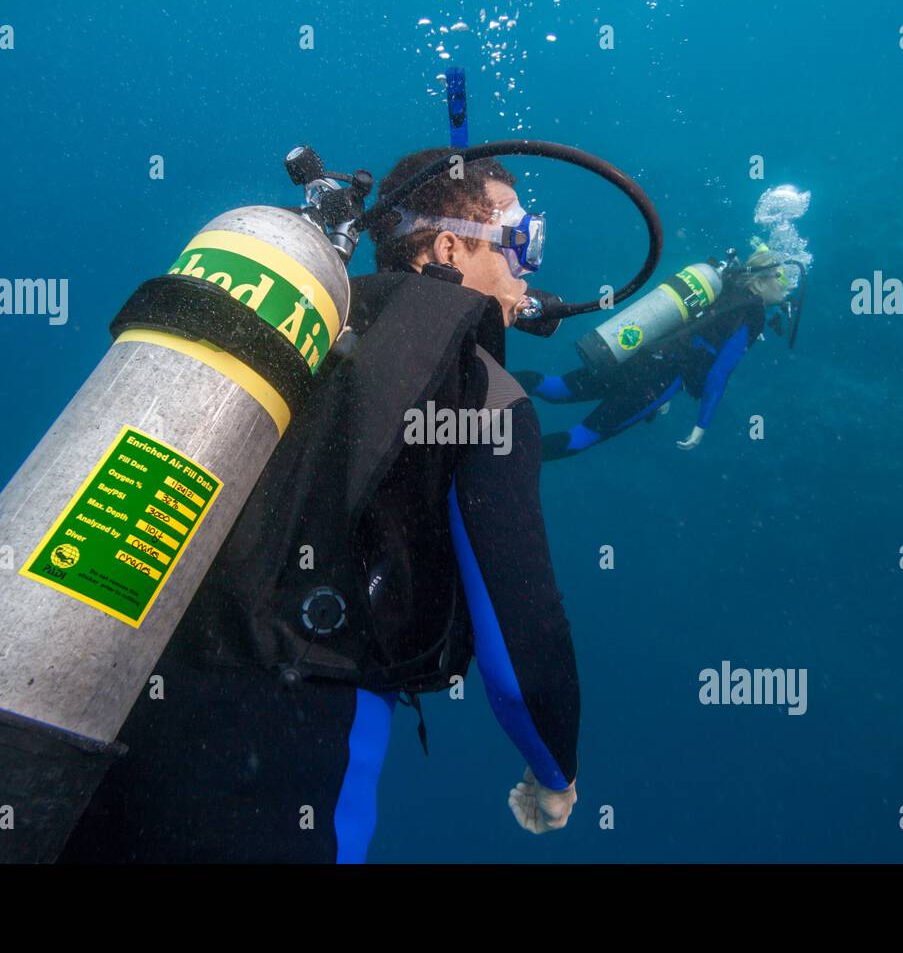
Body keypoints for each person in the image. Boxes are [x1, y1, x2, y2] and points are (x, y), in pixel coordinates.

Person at [60, 148, 580, 863]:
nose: (529, 270)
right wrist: (554, 771)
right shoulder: (474, 380)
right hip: (287, 742)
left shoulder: (304, 330)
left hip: (118, 706)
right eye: (521, 242)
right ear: (450, 246)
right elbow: (519, 621)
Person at [517, 248, 793, 460]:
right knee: (582, 436)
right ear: (758, 283)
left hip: (634, 357)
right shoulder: (752, 312)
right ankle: (497, 457)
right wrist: (702, 423)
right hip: (658, 381)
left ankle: (485, 387)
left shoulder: (720, 287)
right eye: (781, 278)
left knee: (557, 388)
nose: (788, 285)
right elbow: (720, 370)